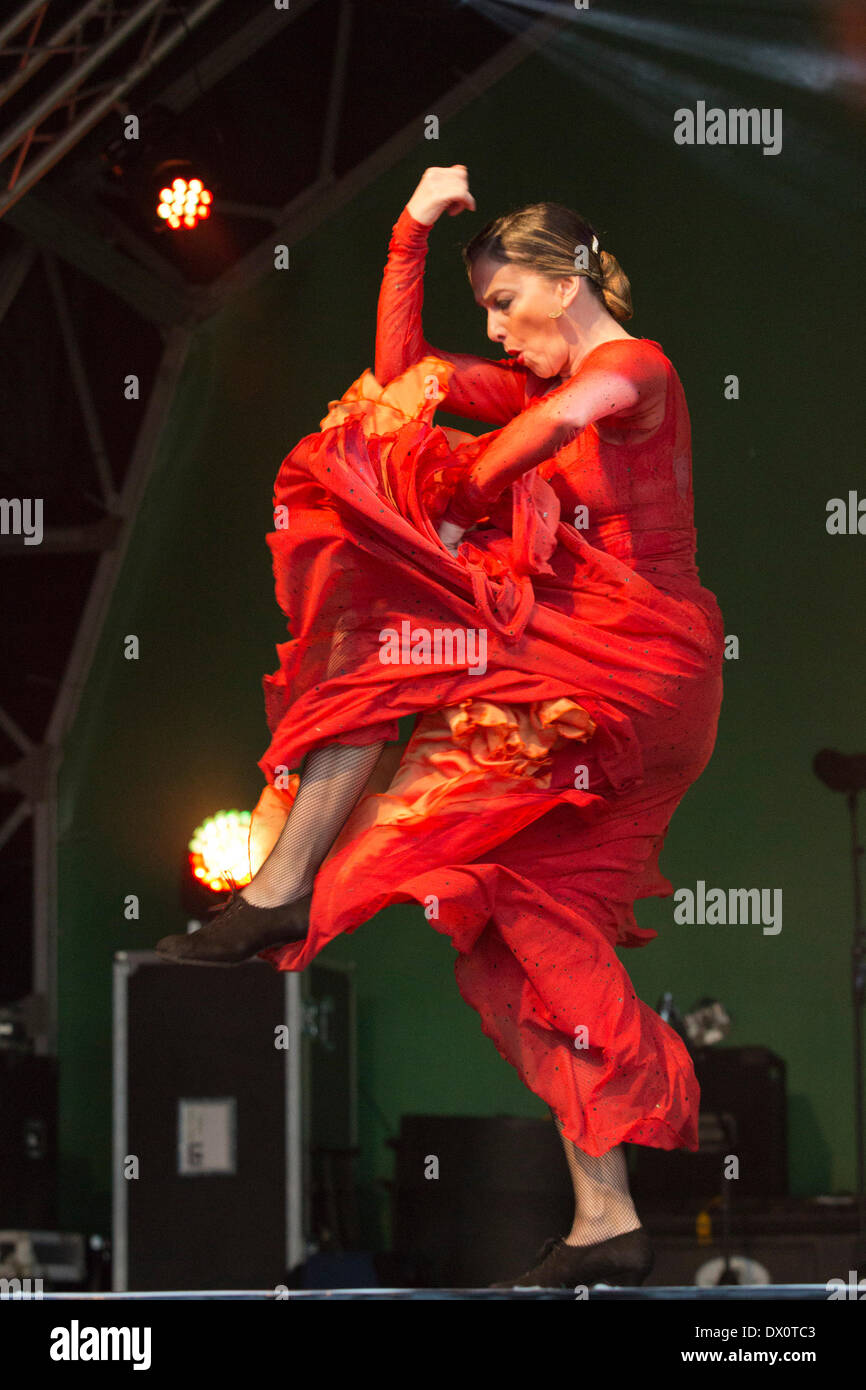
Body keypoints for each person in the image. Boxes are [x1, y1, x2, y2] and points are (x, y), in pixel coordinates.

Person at [157, 165, 725, 1290]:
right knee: (536, 931)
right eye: (487, 315)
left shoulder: (629, 366)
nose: (499, 332)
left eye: (506, 303)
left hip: (632, 665)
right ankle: (605, 1218)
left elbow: (554, 425)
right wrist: (408, 232)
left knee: (397, 634)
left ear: (564, 282)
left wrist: (458, 495)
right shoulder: (534, 380)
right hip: (580, 672)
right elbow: (399, 377)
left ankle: (280, 891)